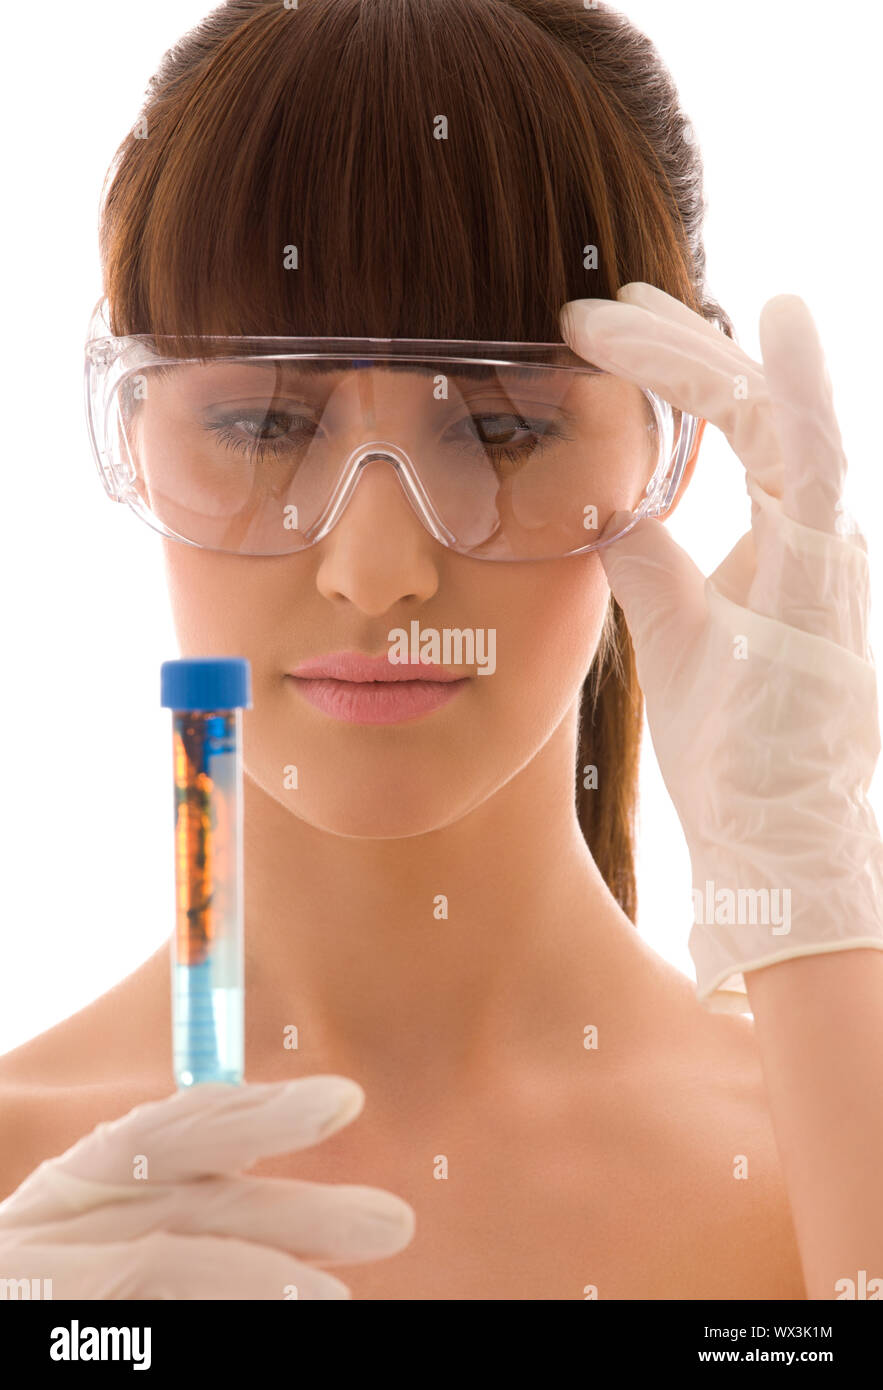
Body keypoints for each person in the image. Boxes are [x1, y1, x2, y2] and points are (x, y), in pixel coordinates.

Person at [1, 0, 881, 1301]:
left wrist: (812, 908)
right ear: (132, 435)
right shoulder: (28, 1204)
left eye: (504, 430)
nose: (376, 570)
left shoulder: (824, 1155)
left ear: (665, 445)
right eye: (256, 423)